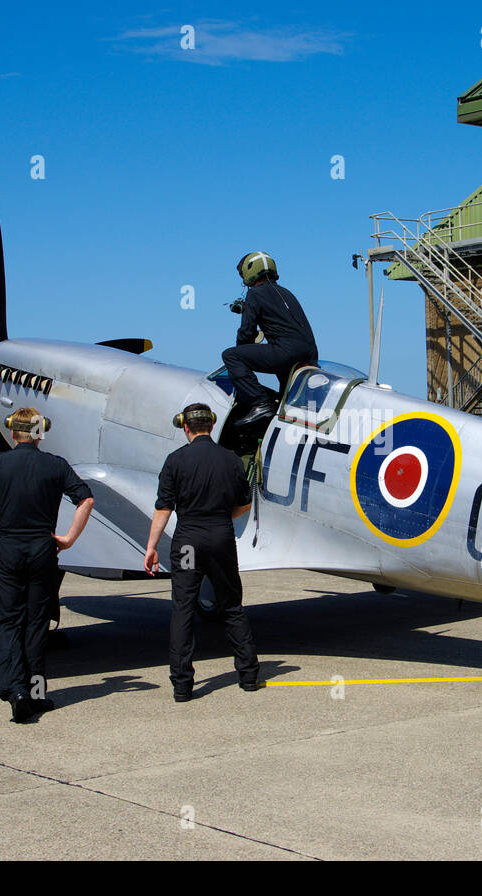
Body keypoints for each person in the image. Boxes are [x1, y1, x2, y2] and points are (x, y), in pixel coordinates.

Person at [0, 407, 94, 723]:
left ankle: (14, 690)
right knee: (36, 623)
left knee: (7, 622)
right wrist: (69, 538)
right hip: (44, 550)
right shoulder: (55, 465)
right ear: (40, 432)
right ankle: (35, 692)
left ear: (13, 432)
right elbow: (86, 499)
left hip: (7, 550)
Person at [144, 403, 261, 701]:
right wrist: (220, 516)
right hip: (221, 536)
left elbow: (163, 508)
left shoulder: (175, 460)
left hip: (187, 540)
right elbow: (246, 503)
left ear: (186, 426)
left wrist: (152, 546)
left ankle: (182, 684)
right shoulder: (232, 460)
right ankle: (248, 675)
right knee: (231, 604)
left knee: (183, 607)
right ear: (211, 425)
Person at [222, 251, 318, 427]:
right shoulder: (287, 292)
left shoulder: (255, 294)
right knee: (285, 399)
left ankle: (260, 403)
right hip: (309, 354)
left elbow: (246, 332)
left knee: (230, 355)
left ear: (249, 272)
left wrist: (242, 351)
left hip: (285, 352)